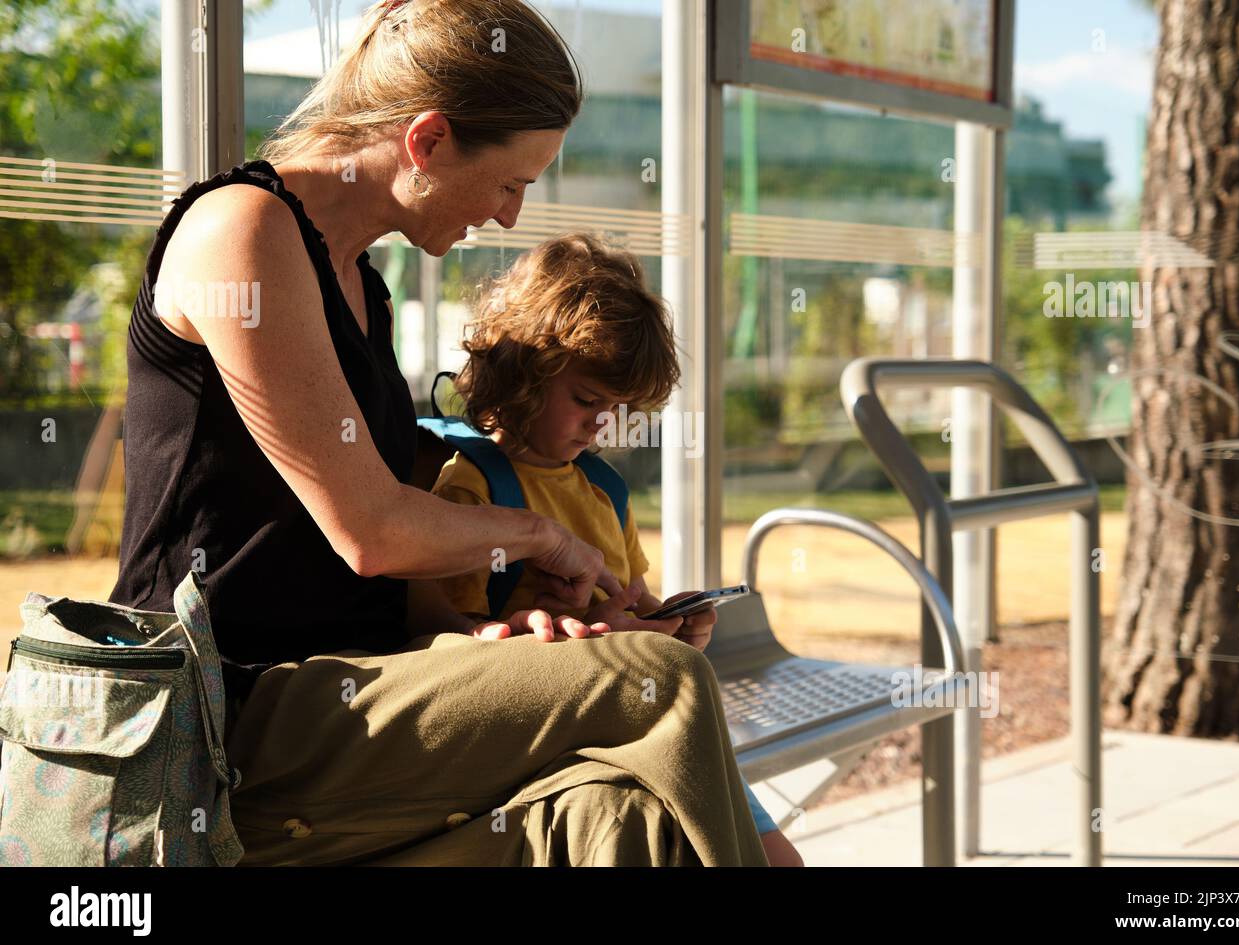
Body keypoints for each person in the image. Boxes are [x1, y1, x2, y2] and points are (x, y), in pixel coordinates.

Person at [108, 0, 767, 866]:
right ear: (426, 141)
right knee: (661, 684)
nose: (506, 216)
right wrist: (543, 538)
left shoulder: (359, 283)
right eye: (509, 182)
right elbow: (370, 532)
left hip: (358, 691)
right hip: (230, 720)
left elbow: (361, 577)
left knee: (623, 821)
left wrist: (496, 636)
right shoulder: (244, 231)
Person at [427, 234, 806, 866]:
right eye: (585, 401)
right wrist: (528, 628)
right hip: (558, 735)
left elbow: (630, 602)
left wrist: (676, 628)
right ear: (525, 374)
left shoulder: (602, 489)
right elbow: (453, 639)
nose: (602, 425)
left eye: (616, 409)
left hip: (642, 715)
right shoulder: (473, 487)